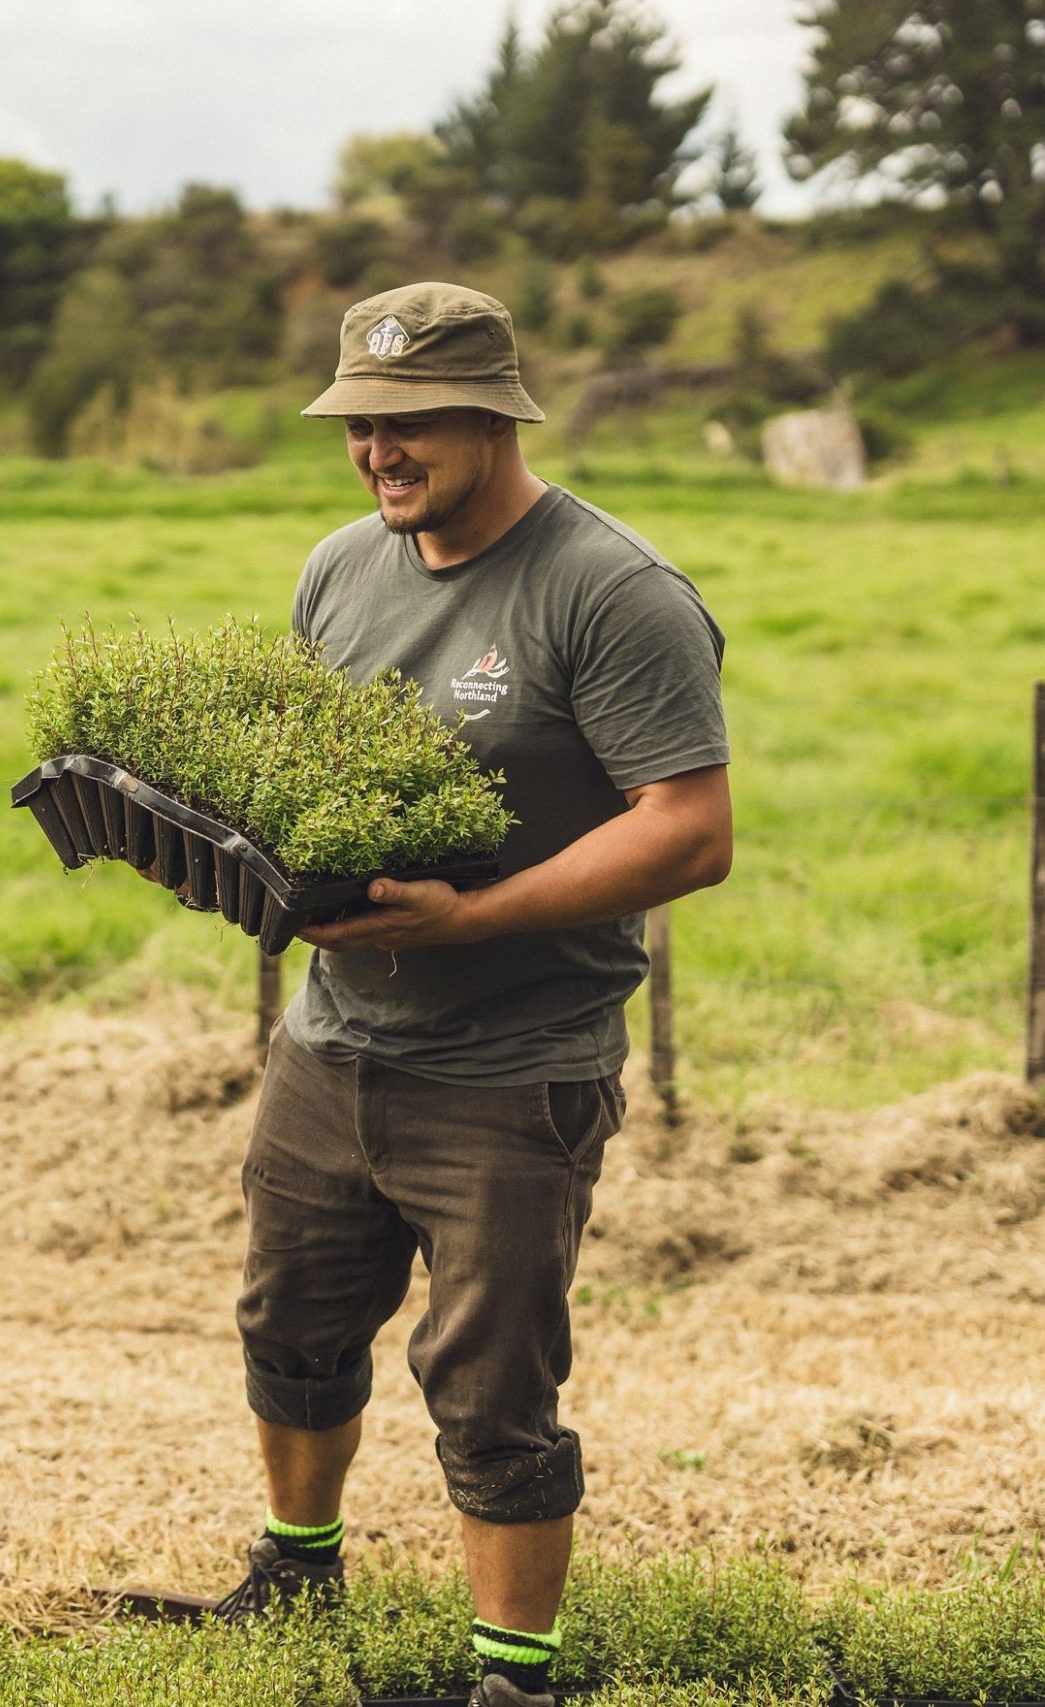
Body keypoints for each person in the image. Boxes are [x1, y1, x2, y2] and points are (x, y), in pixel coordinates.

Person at [158, 283, 733, 1707]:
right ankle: (297, 1577)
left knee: (487, 1386)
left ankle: (514, 1681)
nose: (378, 450)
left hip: (512, 1064)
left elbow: (690, 828)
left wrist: (471, 917)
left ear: (496, 412)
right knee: (288, 1326)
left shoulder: (609, 591)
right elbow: (304, 781)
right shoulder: (340, 568)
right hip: (333, 1042)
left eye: (409, 421)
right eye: (360, 421)